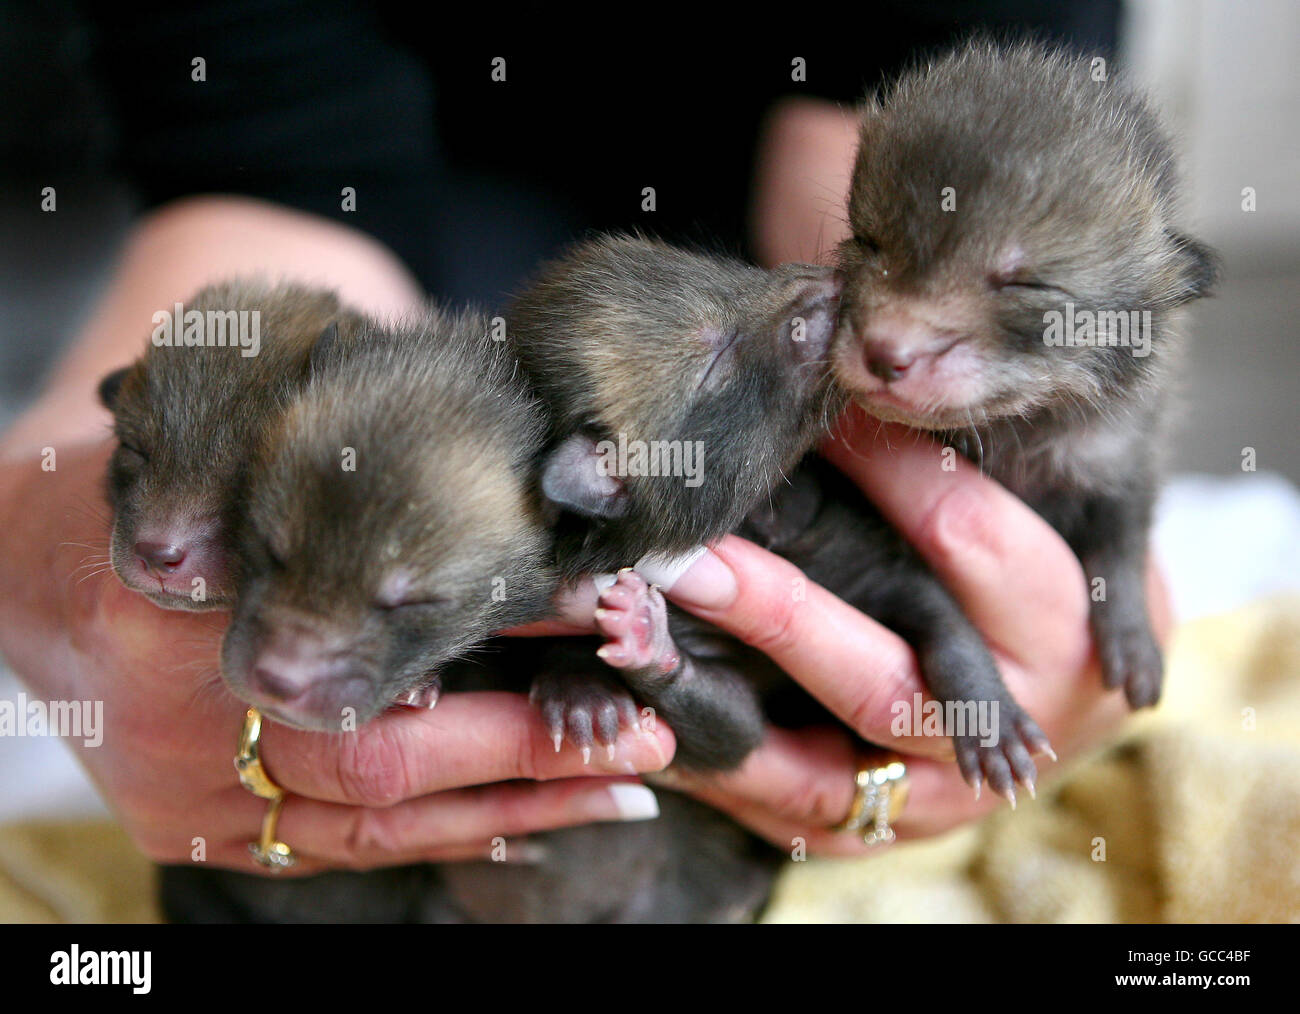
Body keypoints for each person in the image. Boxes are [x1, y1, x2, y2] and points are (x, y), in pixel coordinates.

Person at [0, 2, 1162, 881]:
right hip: (435, 313)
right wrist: (52, 545)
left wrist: (1048, 579)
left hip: (665, 325)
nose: (859, 313)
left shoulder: (865, 262)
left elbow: (895, 195)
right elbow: (271, 176)